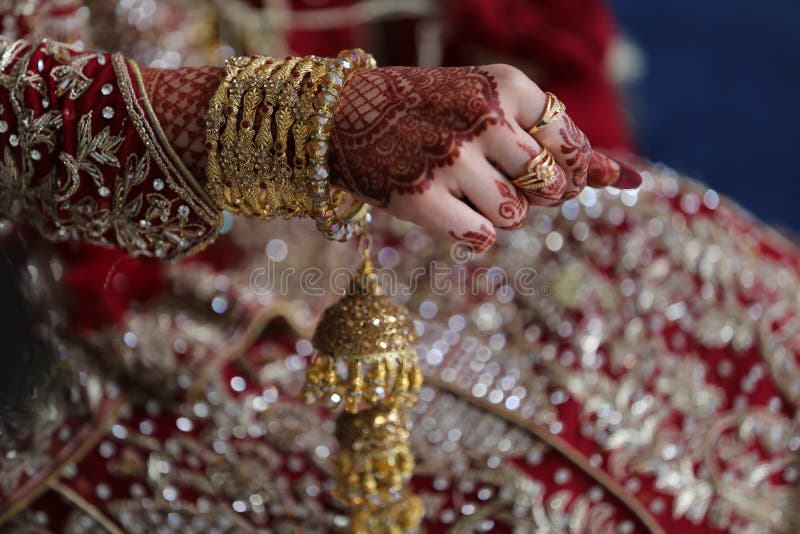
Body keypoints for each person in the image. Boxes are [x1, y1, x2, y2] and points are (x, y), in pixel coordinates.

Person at [0, 1, 796, 533]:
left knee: (713, 278)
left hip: (340, 216)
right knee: (524, 504)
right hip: (63, 343)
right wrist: (298, 121)